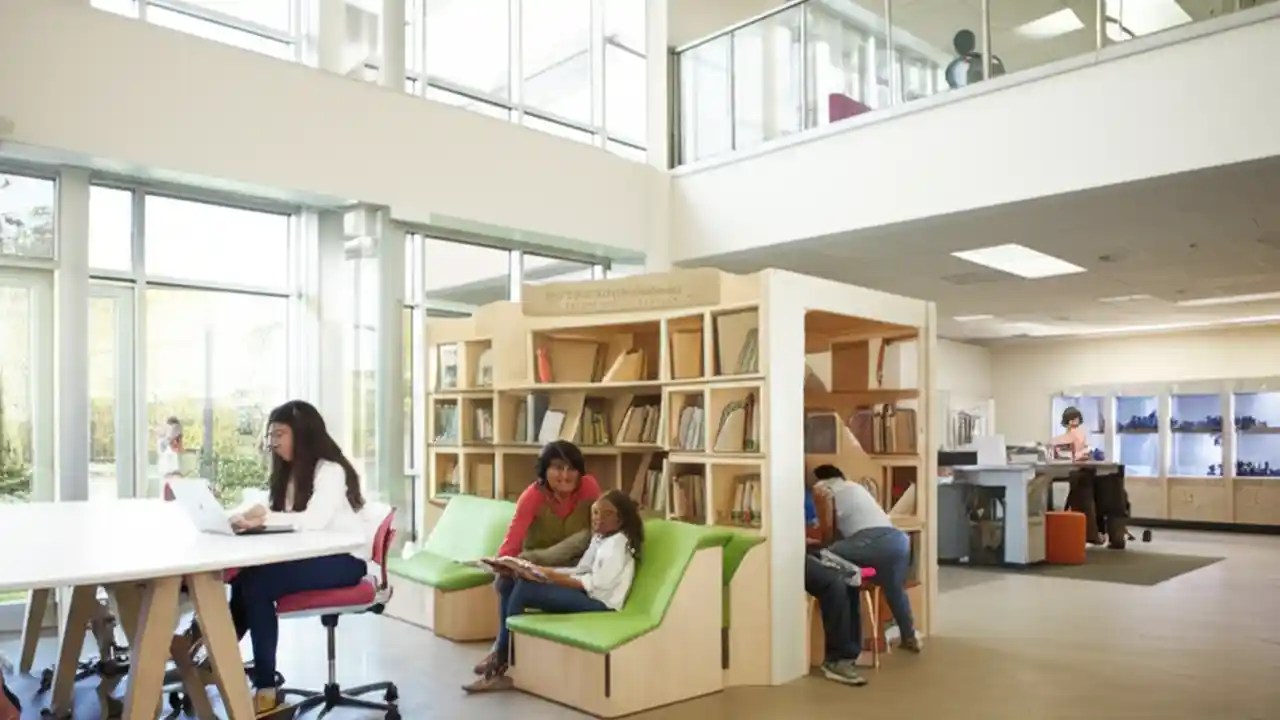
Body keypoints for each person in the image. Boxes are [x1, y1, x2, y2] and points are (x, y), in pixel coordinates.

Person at [225, 400, 377, 716]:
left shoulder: (330, 471)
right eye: (271, 435)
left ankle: (262, 687)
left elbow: (313, 521)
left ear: (302, 434)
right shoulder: (291, 473)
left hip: (343, 561)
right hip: (315, 557)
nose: (273, 442)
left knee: (257, 585)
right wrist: (259, 515)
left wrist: (265, 518)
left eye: (280, 433)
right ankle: (208, 654)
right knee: (245, 577)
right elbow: (291, 518)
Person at [464, 489, 644, 693]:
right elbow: (581, 570)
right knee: (509, 580)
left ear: (621, 519)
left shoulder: (618, 546)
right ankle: (502, 652)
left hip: (601, 604)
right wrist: (536, 571)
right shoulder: (600, 538)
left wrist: (547, 574)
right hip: (587, 593)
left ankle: (501, 663)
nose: (598, 518)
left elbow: (593, 584)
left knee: (524, 589)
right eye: (595, 512)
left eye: (607, 513)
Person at [472, 440, 601, 675]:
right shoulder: (532, 496)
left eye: (571, 468)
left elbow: (598, 532)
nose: (565, 475)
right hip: (538, 568)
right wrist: (507, 563)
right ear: (545, 471)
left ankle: (502, 653)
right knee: (506, 580)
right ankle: (503, 652)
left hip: (574, 570)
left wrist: (532, 558)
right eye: (557, 468)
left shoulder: (589, 488)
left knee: (518, 580)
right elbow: (511, 543)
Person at [815, 464, 921, 653]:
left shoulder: (822, 488)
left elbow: (827, 530)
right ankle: (909, 637)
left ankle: (856, 578)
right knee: (894, 590)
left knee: (824, 556)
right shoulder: (856, 487)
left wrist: (823, 541)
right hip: (898, 540)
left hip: (870, 540)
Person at [804, 479, 867, 686]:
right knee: (833, 583)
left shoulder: (806, 497)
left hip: (808, 549)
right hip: (787, 553)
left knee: (851, 576)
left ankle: (849, 654)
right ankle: (836, 660)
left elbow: (819, 530)